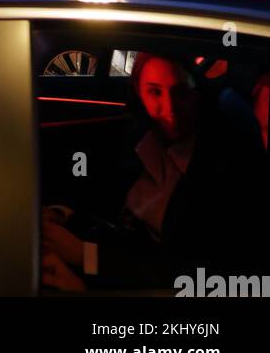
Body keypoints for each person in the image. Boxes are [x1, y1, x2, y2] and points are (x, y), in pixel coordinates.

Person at [42, 52, 268, 292]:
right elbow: (112, 210)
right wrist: (64, 216)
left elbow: (193, 272)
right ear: (138, 92)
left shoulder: (220, 166)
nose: (170, 109)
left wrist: (85, 257)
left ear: (198, 93)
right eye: (154, 92)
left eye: (181, 92)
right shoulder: (142, 136)